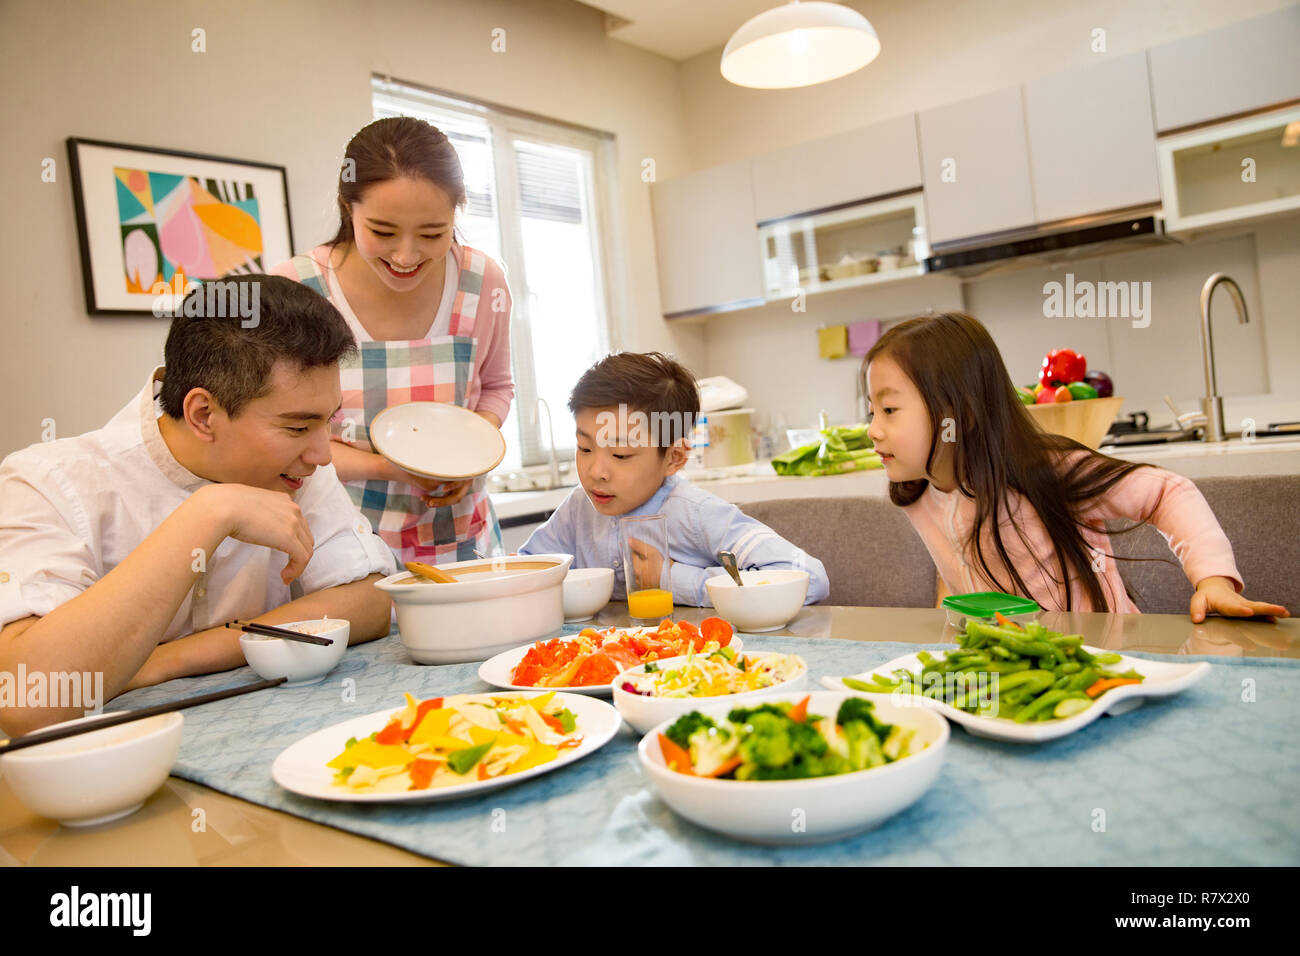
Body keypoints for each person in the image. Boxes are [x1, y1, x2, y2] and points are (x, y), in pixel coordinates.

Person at [0, 276, 397, 735]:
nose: (323, 455)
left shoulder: (297, 464)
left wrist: (170, 659)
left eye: (326, 422)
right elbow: (26, 697)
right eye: (296, 427)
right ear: (203, 415)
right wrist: (209, 512)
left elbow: (369, 600)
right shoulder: (49, 480)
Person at [863, 311, 1290, 620]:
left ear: (961, 414)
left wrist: (1213, 580)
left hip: (1109, 661)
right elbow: (960, 560)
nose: (873, 430)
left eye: (889, 409)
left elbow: (1167, 492)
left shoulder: (1045, 470)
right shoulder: (918, 492)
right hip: (1012, 672)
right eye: (871, 411)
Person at [271, 117, 514, 566]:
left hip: (457, 541)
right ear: (348, 207)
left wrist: (471, 456)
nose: (406, 256)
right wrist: (390, 468)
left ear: (457, 211)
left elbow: (498, 388)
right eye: (383, 232)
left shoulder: (482, 282)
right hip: (334, 543)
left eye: (432, 234)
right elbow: (284, 431)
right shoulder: (298, 287)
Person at [519, 352, 830, 606]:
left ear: (674, 458)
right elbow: (529, 568)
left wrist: (673, 579)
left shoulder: (696, 513)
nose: (595, 471)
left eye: (621, 454)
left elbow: (808, 577)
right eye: (584, 448)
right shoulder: (579, 507)